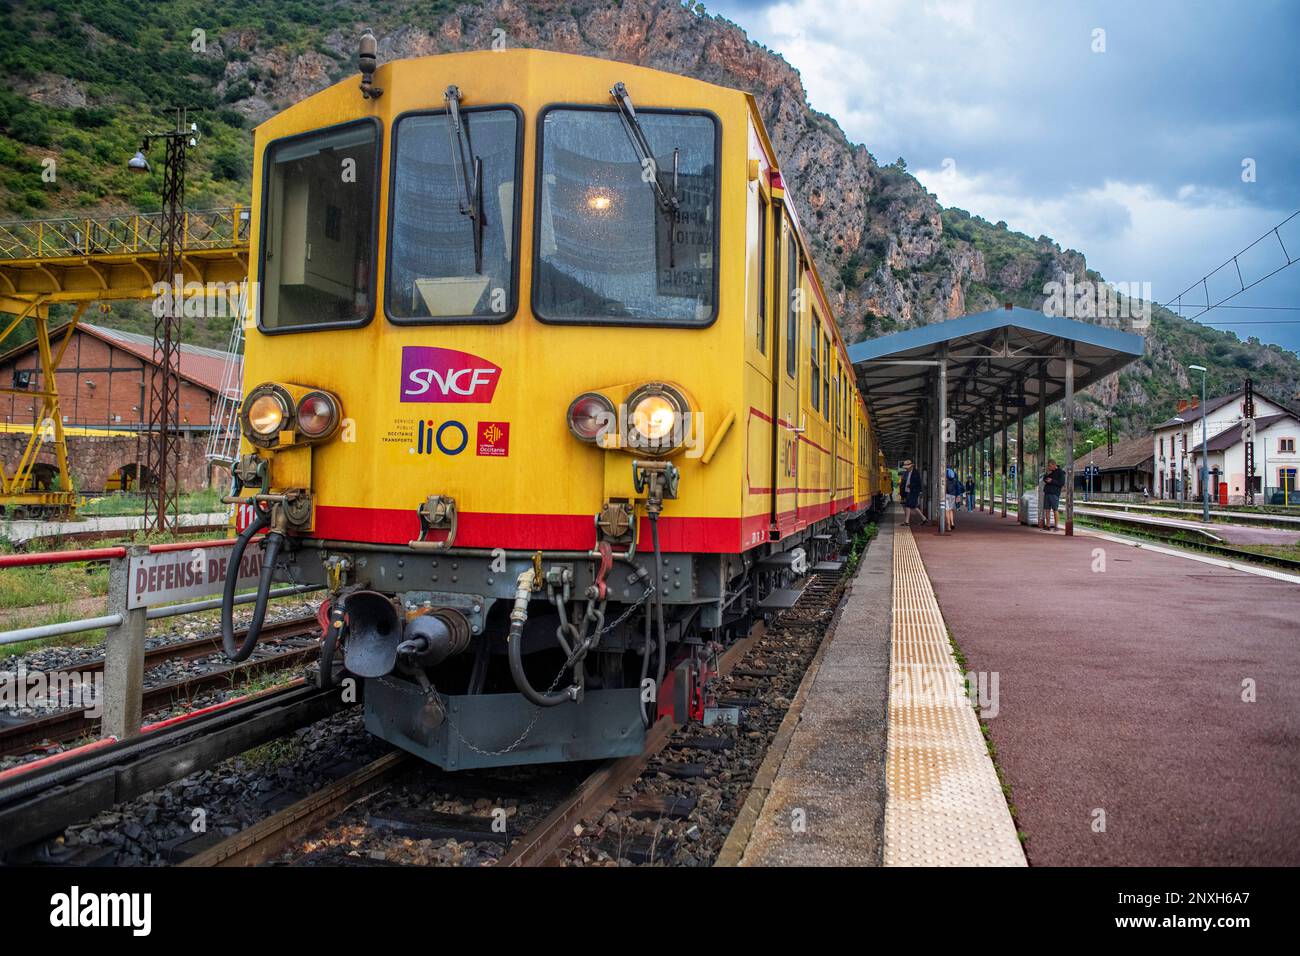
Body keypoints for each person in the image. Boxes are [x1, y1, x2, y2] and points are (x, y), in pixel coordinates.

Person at [900, 459, 927, 527]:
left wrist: (910, 485)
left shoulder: (915, 472)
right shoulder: (908, 472)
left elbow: (917, 483)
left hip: (913, 491)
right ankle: (923, 519)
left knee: (909, 505)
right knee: (912, 506)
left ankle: (907, 521)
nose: (906, 469)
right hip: (909, 491)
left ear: (911, 466)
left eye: (907, 467)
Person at [1042, 459, 1065, 530]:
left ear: (1054, 465)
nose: (1049, 467)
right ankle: (1048, 525)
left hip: (1054, 493)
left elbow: (1061, 483)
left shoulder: (1061, 472)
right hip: (1047, 492)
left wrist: (1052, 481)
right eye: (1048, 466)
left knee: (1055, 509)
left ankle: (1056, 526)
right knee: (1047, 509)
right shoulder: (1049, 472)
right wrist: (1047, 475)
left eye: (1050, 466)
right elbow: (1044, 479)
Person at [944, 467, 960, 531]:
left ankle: (948, 526)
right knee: (951, 510)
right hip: (953, 496)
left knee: (946, 511)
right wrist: (958, 496)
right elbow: (958, 488)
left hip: (946, 495)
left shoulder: (945, 480)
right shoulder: (955, 480)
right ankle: (952, 523)